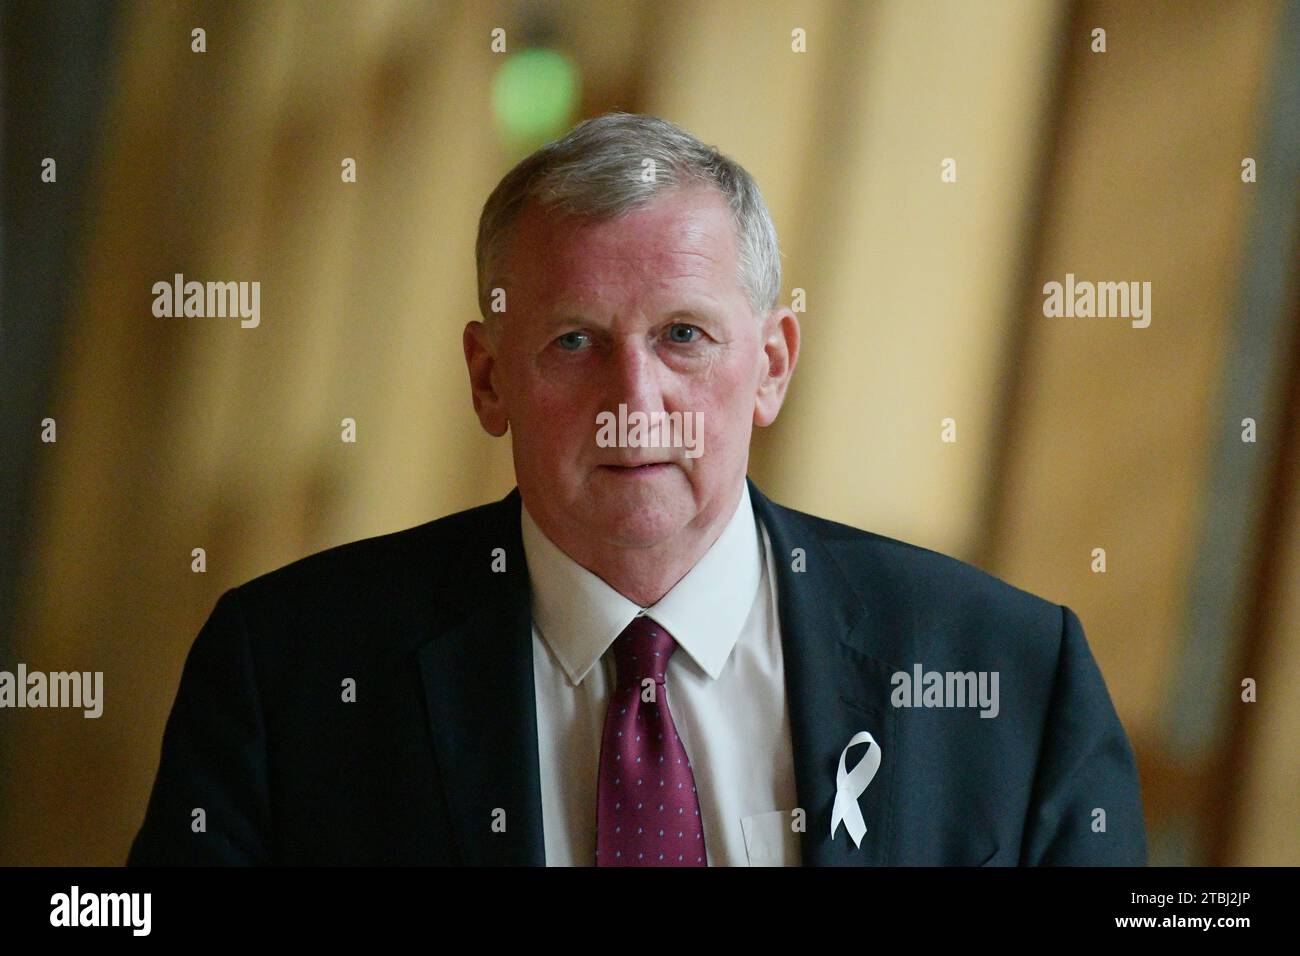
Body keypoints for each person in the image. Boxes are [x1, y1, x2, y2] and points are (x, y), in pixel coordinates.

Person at [128, 112, 1146, 866]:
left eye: (683, 336)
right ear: (488, 378)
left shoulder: (1009, 672)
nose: (634, 400)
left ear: (772, 365)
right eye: (574, 342)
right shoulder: (289, 672)